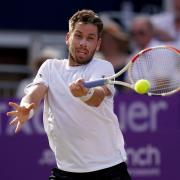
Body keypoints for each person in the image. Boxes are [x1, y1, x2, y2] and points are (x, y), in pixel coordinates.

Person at [6, 9, 132, 180]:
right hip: (65, 172)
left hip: (108, 170)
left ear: (98, 44)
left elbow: (97, 97)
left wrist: (84, 94)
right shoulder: (50, 67)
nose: (83, 43)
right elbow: (35, 93)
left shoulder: (103, 67)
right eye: (78, 36)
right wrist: (27, 106)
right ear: (68, 38)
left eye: (90, 38)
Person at [95, 19, 130, 92]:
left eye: (112, 40)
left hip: (124, 101)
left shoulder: (129, 60)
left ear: (118, 42)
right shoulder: (95, 59)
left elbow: (129, 88)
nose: (109, 44)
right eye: (105, 40)